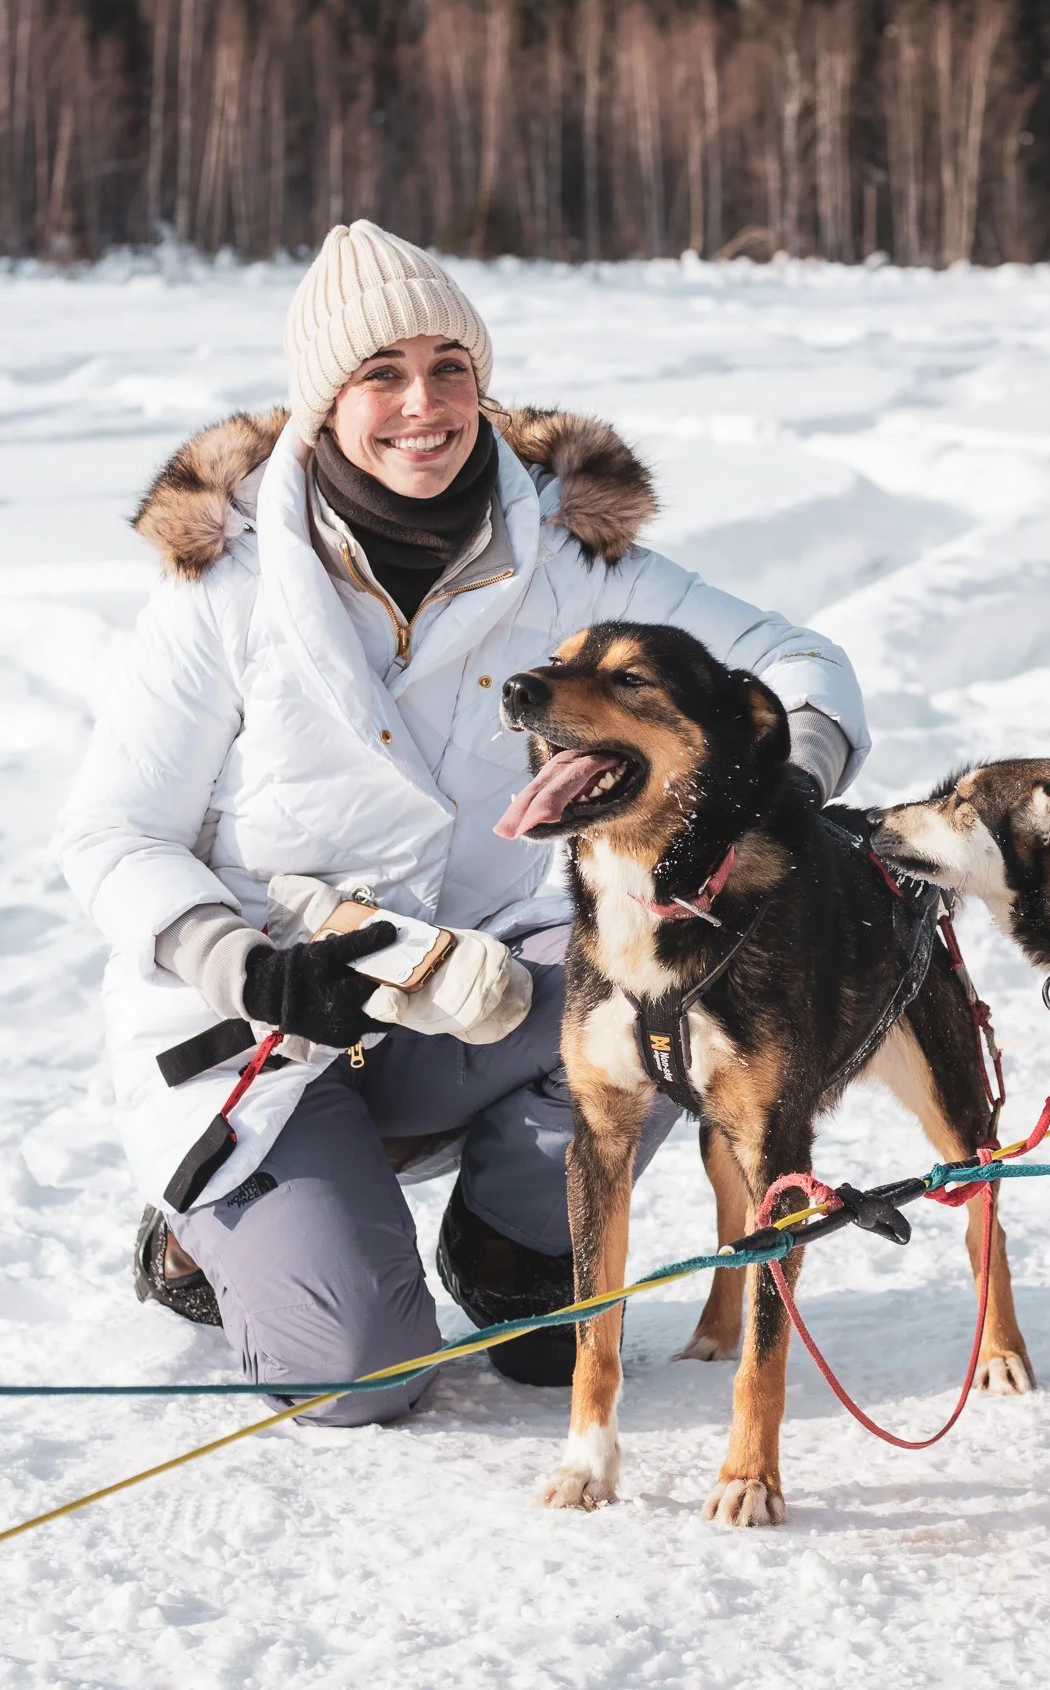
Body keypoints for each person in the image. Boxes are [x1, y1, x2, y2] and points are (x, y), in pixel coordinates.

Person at [59, 221, 868, 1423]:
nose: (422, 404)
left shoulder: (571, 559)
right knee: (360, 1376)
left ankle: (511, 1245)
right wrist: (245, 962)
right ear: (325, 402)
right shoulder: (222, 589)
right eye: (380, 374)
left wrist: (791, 774)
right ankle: (212, 1239)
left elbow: (800, 663)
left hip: (477, 991)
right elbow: (112, 836)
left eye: (450, 367)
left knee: (666, 981)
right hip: (265, 1022)